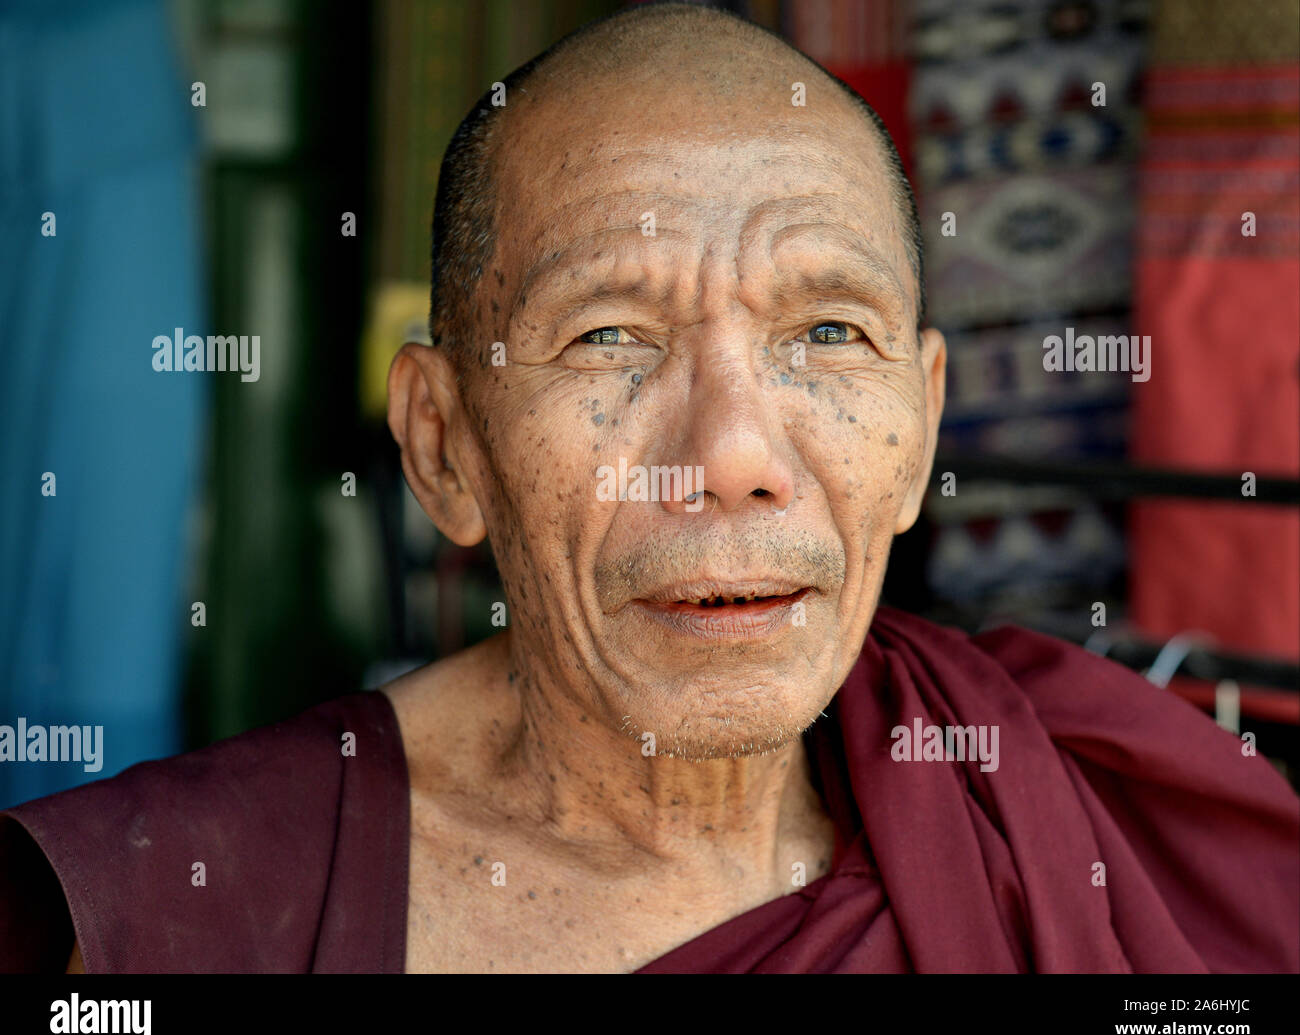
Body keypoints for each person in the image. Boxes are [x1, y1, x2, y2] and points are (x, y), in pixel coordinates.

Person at [2, 1, 1296, 974]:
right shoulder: (169, 908)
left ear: (921, 425)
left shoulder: (1076, 800)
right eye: (610, 337)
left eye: (828, 335)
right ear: (446, 448)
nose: (733, 455)